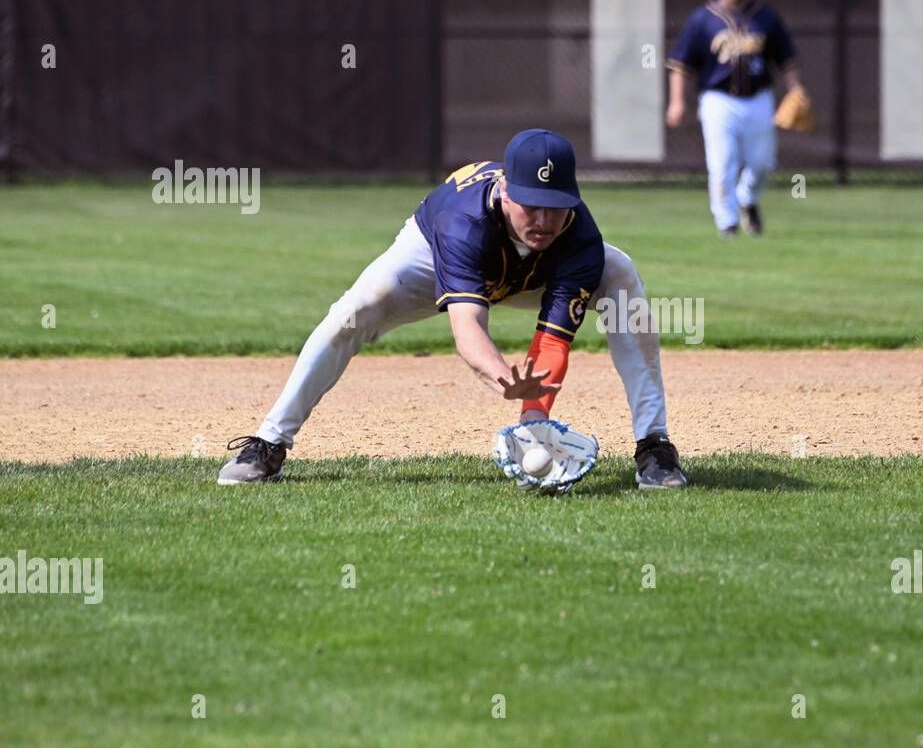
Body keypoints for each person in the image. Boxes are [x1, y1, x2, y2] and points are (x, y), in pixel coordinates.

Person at [218, 128, 688, 490]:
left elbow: (553, 339)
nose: (544, 221)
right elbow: (467, 328)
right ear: (506, 190)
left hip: (529, 273)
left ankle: (654, 445)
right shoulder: (464, 223)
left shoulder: (578, 237)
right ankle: (269, 442)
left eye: (556, 207)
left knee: (620, 271)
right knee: (356, 309)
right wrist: (503, 378)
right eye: (531, 205)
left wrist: (532, 420)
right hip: (430, 255)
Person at [665, 0, 803, 237]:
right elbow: (680, 64)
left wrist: (796, 88)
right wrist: (676, 101)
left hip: (759, 98)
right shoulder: (703, 19)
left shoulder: (766, 17)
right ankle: (726, 223)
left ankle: (747, 199)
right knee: (722, 163)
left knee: (763, 164)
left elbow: (786, 59)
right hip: (718, 100)